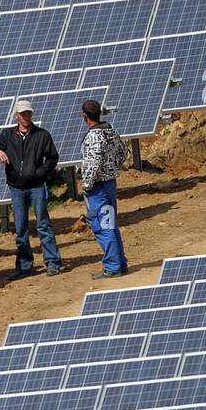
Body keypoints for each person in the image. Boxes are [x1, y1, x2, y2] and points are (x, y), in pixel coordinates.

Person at [0, 98, 63, 278]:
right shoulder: (7, 135)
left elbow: (52, 158)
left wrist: (38, 174)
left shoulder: (42, 135)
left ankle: (52, 262)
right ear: (16, 115)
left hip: (36, 187)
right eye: (23, 114)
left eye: (29, 113)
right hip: (16, 189)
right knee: (21, 229)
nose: (27, 116)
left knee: (43, 225)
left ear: (32, 114)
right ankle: (24, 266)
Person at [79, 98, 130, 278]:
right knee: (111, 224)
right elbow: (124, 152)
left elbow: (93, 163)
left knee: (102, 226)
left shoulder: (93, 137)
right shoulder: (110, 130)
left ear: (85, 116)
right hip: (109, 184)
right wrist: (113, 168)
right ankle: (120, 262)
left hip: (98, 188)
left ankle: (112, 266)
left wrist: (86, 186)